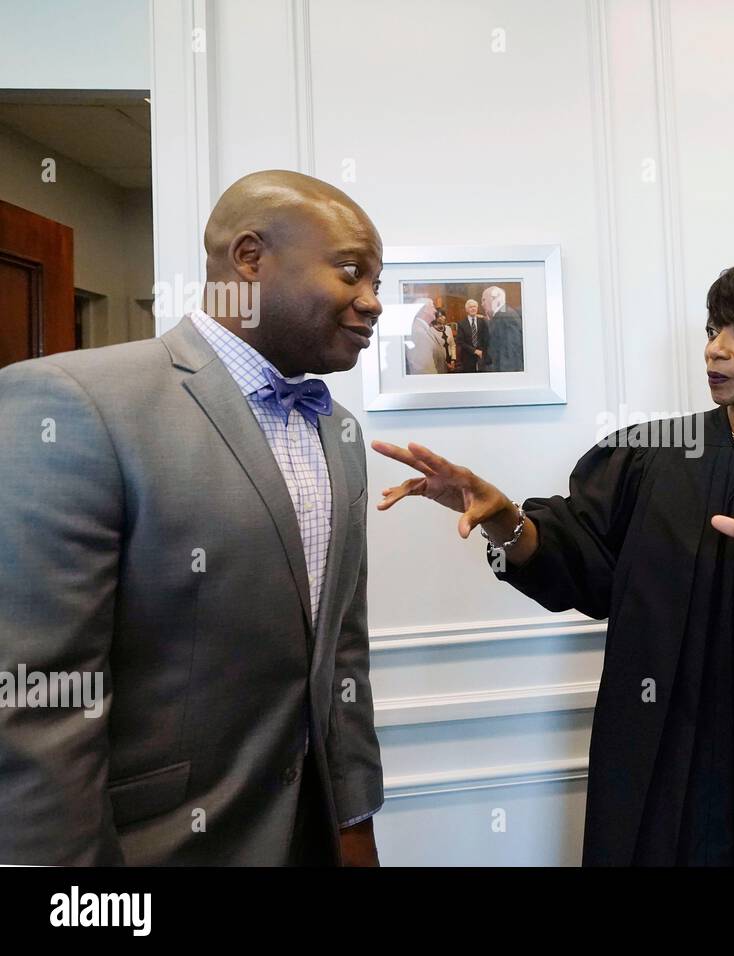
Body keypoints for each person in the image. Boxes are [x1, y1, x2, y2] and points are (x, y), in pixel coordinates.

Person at [374, 260, 734, 865]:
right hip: (655, 762)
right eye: (714, 330)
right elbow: (577, 561)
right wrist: (504, 519)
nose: (715, 350)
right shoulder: (647, 460)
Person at [0, 169, 385, 866]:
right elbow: (37, 701)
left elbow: (340, 652)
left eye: (377, 285)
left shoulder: (342, 433)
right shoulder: (73, 404)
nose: (373, 303)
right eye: (353, 274)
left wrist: (354, 820)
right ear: (248, 258)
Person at [480, 286, 523, 372]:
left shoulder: (505, 317)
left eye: (484, 300)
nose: (482, 304)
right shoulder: (501, 314)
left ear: (494, 299)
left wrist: (503, 379)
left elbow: (509, 355)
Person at [406, 302, 454, 374]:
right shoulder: (419, 331)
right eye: (432, 307)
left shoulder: (425, 328)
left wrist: (446, 363)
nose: (435, 310)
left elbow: (435, 353)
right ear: (425, 310)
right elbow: (425, 368)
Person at [458, 297, 489, 372]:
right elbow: (460, 341)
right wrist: (474, 351)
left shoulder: (483, 322)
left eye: (474, 306)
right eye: (470, 307)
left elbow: (486, 338)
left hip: (482, 357)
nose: (473, 308)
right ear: (466, 310)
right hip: (467, 357)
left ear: (477, 308)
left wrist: (482, 351)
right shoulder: (461, 324)